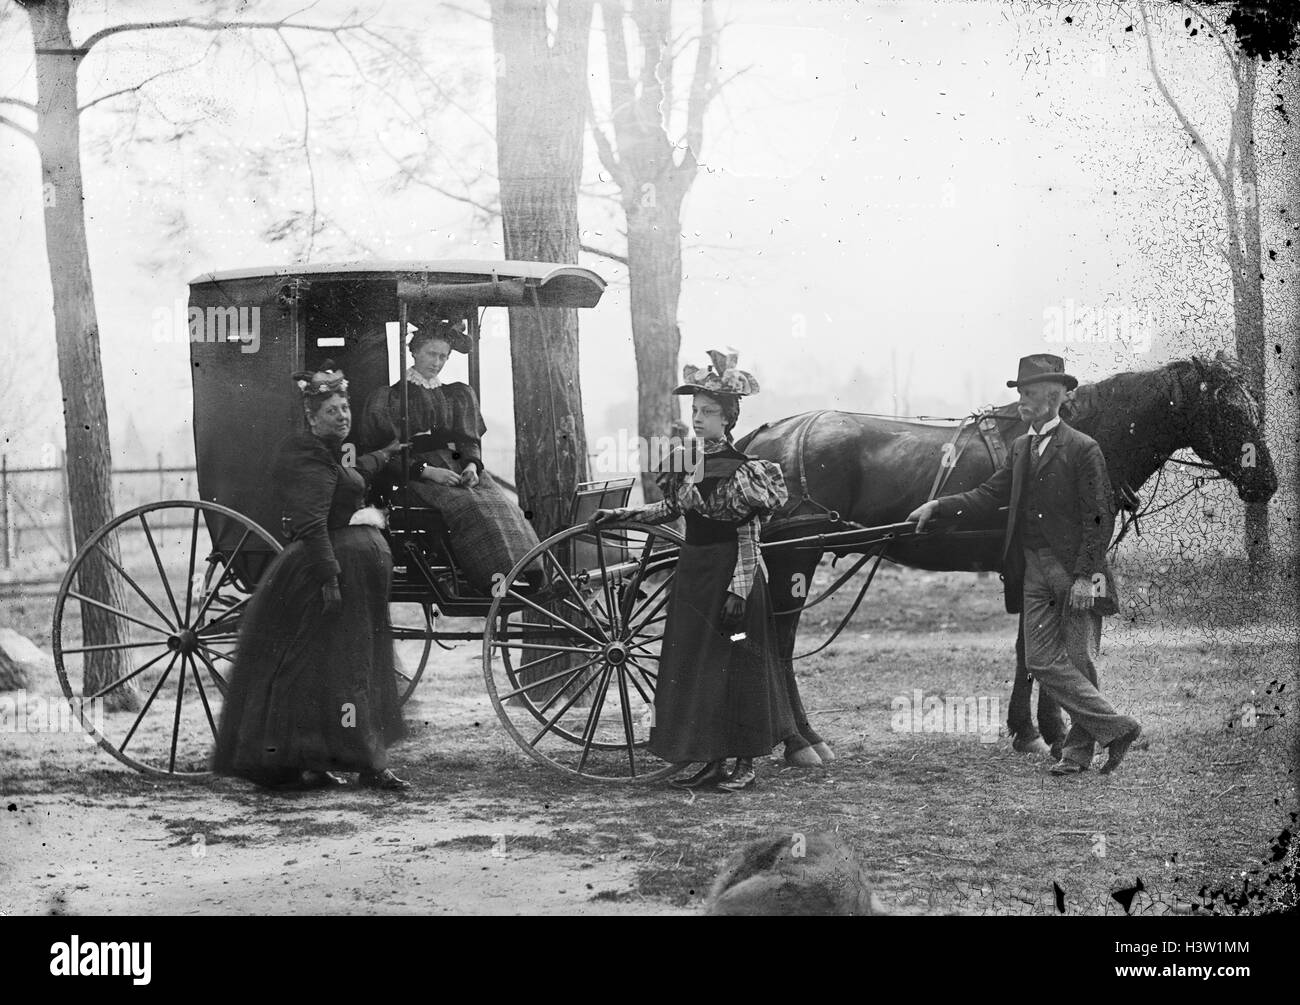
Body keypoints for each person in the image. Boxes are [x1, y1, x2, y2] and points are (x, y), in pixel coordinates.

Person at [592, 350, 821, 792]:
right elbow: (670, 509)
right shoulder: (688, 462)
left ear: (728, 418)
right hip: (694, 574)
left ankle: (747, 764)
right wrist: (619, 518)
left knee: (738, 664)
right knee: (700, 666)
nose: (698, 419)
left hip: (731, 577)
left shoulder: (749, 471)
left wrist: (738, 589)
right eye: (694, 411)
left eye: (708, 412)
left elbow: (749, 534)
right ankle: (714, 760)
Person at [906, 353, 1142, 776]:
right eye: (1020, 393)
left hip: (1074, 573)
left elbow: (1099, 517)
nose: (1021, 402)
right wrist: (939, 506)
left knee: (1080, 661)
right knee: (1039, 660)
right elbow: (987, 494)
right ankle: (1117, 727)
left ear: (1053, 399)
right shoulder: (1021, 448)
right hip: (1032, 570)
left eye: (1030, 394)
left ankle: (1076, 755)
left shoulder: (1084, 449)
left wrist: (1087, 578)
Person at [212, 365, 410, 790]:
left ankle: (318, 761)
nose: (343, 416)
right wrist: (330, 580)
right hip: (327, 574)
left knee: (333, 668)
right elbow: (313, 523)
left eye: (345, 408)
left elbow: (348, 480)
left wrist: (384, 455)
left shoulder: (326, 452)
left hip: (349, 571)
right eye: (333, 410)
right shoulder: (304, 454)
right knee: (346, 667)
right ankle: (366, 765)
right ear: (311, 416)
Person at [359, 318, 541, 594]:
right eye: (432, 354)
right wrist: (428, 472)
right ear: (415, 352)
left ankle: (528, 572)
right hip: (413, 475)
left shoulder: (456, 394)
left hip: (455, 465)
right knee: (472, 510)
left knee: (504, 506)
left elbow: (469, 439)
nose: (437, 362)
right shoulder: (391, 398)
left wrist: (470, 464)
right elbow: (385, 453)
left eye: (443, 356)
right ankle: (490, 580)